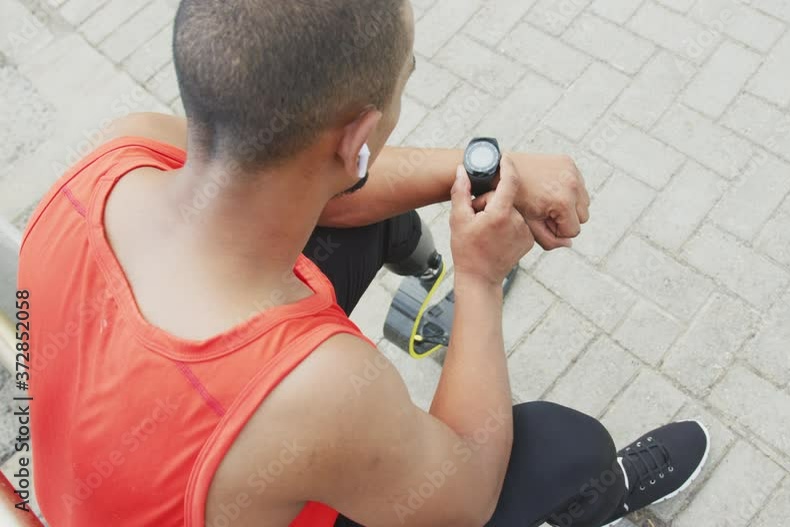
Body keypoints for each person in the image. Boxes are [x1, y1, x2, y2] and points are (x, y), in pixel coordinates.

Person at [19, 1, 710, 525]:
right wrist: (478, 276)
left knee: (362, 216)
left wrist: (505, 170)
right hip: (266, 437)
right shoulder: (315, 390)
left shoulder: (114, 154)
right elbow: (465, 491)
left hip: (82, 487)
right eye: (405, 80)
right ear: (358, 137)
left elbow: (336, 193)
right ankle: (596, 495)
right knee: (563, 444)